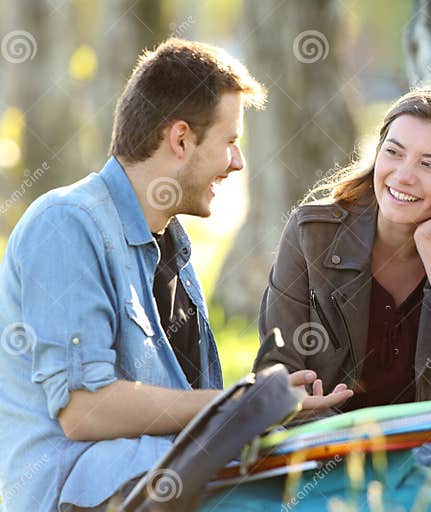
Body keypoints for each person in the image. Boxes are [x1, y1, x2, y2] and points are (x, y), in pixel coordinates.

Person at [0, 38, 343, 512]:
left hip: (169, 477)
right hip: (85, 494)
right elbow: (84, 408)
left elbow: (179, 409)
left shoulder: (170, 244)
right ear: (181, 139)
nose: (238, 163)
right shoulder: (67, 223)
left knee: (347, 479)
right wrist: (236, 406)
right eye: (231, 143)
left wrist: (269, 406)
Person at [254, 83, 431, 413]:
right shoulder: (313, 233)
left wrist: (430, 246)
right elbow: (276, 371)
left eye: (430, 165)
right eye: (393, 152)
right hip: (323, 443)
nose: (403, 176)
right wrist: (305, 413)